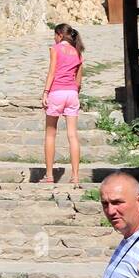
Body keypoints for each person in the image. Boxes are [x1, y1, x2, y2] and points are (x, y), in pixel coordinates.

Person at [41, 23, 84, 186]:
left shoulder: (55, 49)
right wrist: (74, 93)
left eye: (54, 35)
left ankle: (49, 176)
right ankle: (75, 177)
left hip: (56, 93)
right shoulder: (78, 52)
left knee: (50, 134)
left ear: (59, 35)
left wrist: (45, 92)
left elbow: (52, 72)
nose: (54, 38)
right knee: (73, 135)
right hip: (72, 94)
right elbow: (78, 81)